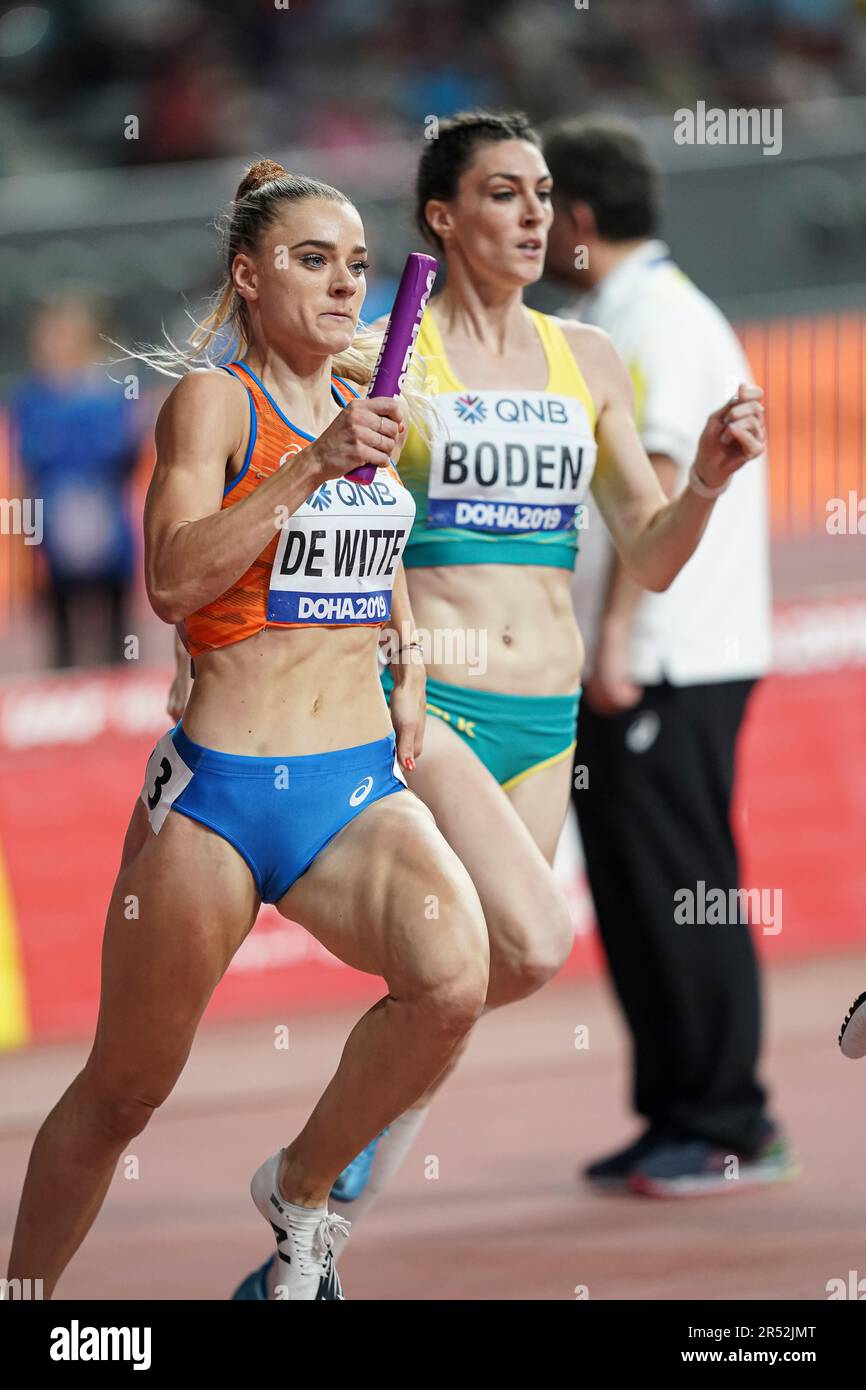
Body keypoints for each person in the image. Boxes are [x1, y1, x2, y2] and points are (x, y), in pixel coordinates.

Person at [224, 110, 765, 1288]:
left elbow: (651, 548)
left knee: (472, 984)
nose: (533, 216)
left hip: (543, 712)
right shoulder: (385, 350)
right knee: (529, 938)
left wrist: (709, 484)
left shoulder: (589, 356)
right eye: (503, 194)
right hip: (433, 703)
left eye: (540, 193)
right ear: (441, 217)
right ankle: (307, 1181)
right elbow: (312, 504)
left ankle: (304, 1245)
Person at [5, 160, 492, 1302]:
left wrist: (408, 653)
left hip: (354, 787)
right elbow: (173, 581)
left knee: (452, 978)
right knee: (123, 1092)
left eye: (356, 266)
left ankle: (302, 1186)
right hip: (220, 796)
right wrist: (312, 465)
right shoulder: (216, 402)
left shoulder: (365, 407)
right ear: (246, 273)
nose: (340, 285)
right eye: (310, 260)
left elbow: (369, 540)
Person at [543, 114, 794, 1195]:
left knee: (683, 883)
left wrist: (617, 646)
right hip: (640, 653)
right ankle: (673, 1110)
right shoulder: (607, 313)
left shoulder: (655, 322)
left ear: (580, 219)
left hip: (667, 656)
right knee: (638, 891)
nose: (529, 228)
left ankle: (733, 1119)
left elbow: (653, 490)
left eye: (538, 207)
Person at [9, 295, 143, 668]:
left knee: (118, 633)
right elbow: (32, 458)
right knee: (61, 633)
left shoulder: (110, 391)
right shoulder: (32, 398)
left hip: (107, 527)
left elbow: (122, 450)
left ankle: (118, 706)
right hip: (56, 530)